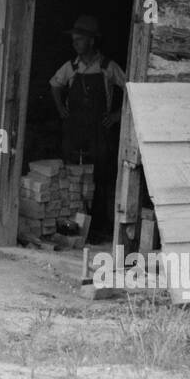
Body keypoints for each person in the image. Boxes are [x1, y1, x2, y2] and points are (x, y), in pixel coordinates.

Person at [49, 14, 126, 237]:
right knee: (72, 177)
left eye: (79, 39)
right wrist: (60, 109)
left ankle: (96, 229)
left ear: (91, 41)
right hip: (75, 130)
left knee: (99, 177)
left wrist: (117, 116)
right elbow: (55, 84)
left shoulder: (107, 67)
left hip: (98, 131)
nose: (75, 43)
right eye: (73, 39)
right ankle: (71, 226)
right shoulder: (71, 67)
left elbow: (130, 87)